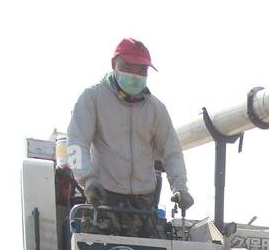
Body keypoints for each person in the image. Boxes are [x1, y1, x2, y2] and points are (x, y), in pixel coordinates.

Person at [67, 38, 194, 238]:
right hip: (103, 199)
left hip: (144, 206)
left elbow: (172, 152)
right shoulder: (93, 98)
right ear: (113, 65)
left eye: (141, 70)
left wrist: (180, 187)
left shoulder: (156, 109)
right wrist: (87, 179)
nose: (134, 76)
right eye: (128, 67)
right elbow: (75, 142)